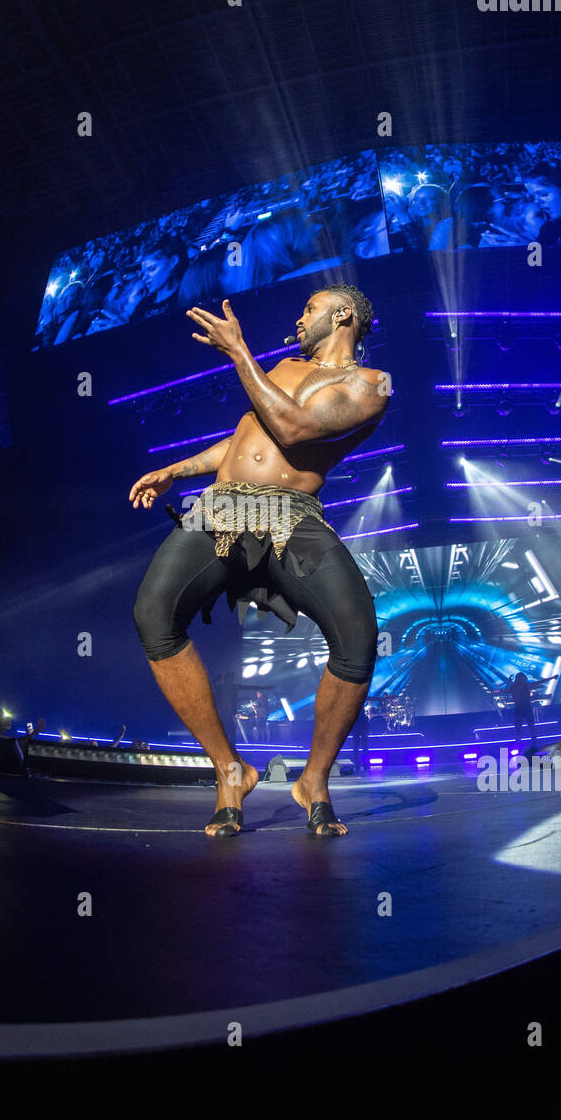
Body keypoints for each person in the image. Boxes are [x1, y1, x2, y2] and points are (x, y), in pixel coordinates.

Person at [130, 284, 389, 836]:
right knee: (154, 613)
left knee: (358, 634)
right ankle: (230, 770)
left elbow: (295, 428)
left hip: (293, 516)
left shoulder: (370, 384)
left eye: (310, 309)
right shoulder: (281, 368)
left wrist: (238, 353)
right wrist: (173, 471)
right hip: (222, 507)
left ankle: (314, 778)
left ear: (342, 314)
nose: (299, 319)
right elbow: (245, 442)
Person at [350, 699, 371, 775]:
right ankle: (365, 764)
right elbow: (367, 725)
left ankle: (358, 764)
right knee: (364, 748)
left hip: (356, 732)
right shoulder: (363, 717)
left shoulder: (354, 716)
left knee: (356, 748)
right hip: (362, 732)